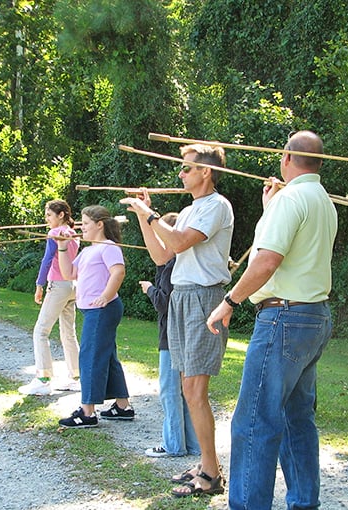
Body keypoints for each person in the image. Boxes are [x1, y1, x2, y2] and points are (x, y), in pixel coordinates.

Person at [206, 130, 337, 510]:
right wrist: (269, 209)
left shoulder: (292, 198)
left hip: (283, 317)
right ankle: (303, 502)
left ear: (286, 157)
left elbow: (267, 260)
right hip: (313, 317)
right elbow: (293, 251)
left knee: (252, 422)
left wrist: (229, 301)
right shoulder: (322, 200)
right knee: (297, 419)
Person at [121, 144, 234, 497]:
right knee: (188, 390)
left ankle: (212, 475)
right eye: (182, 168)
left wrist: (150, 215)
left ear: (206, 172)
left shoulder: (217, 206)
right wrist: (144, 216)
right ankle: (206, 463)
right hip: (181, 297)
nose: (181, 174)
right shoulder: (189, 209)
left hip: (203, 299)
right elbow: (162, 254)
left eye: (187, 168)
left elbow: (182, 242)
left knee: (196, 391)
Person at [55, 205, 134, 428]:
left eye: (86, 224)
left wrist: (105, 295)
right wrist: (62, 247)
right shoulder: (89, 250)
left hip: (103, 309)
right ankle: (122, 406)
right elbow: (68, 273)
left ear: (100, 225)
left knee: (89, 356)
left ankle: (87, 412)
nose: (82, 227)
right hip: (94, 309)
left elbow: (118, 272)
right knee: (107, 355)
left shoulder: (108, 247)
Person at [135, 211, 200, 458]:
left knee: (170, 391)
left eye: (161, 236)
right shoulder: (175, 265)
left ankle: (173, 444)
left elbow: (165, 303)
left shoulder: (173, 267)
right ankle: (190, 444)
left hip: (171, 337)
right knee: (182, 392)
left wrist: (149, 289)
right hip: (177, 334)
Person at [19, 200, 80, 396]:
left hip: (59, 285)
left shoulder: (55, 233)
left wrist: (39, 284)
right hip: (73, 285)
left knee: (41, 331)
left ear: (61, 214)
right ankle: (76, 377)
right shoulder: (73, 233)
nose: (47, 219)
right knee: (68, 333)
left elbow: (47, 260)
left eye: (49, 215)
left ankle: (43, 379)